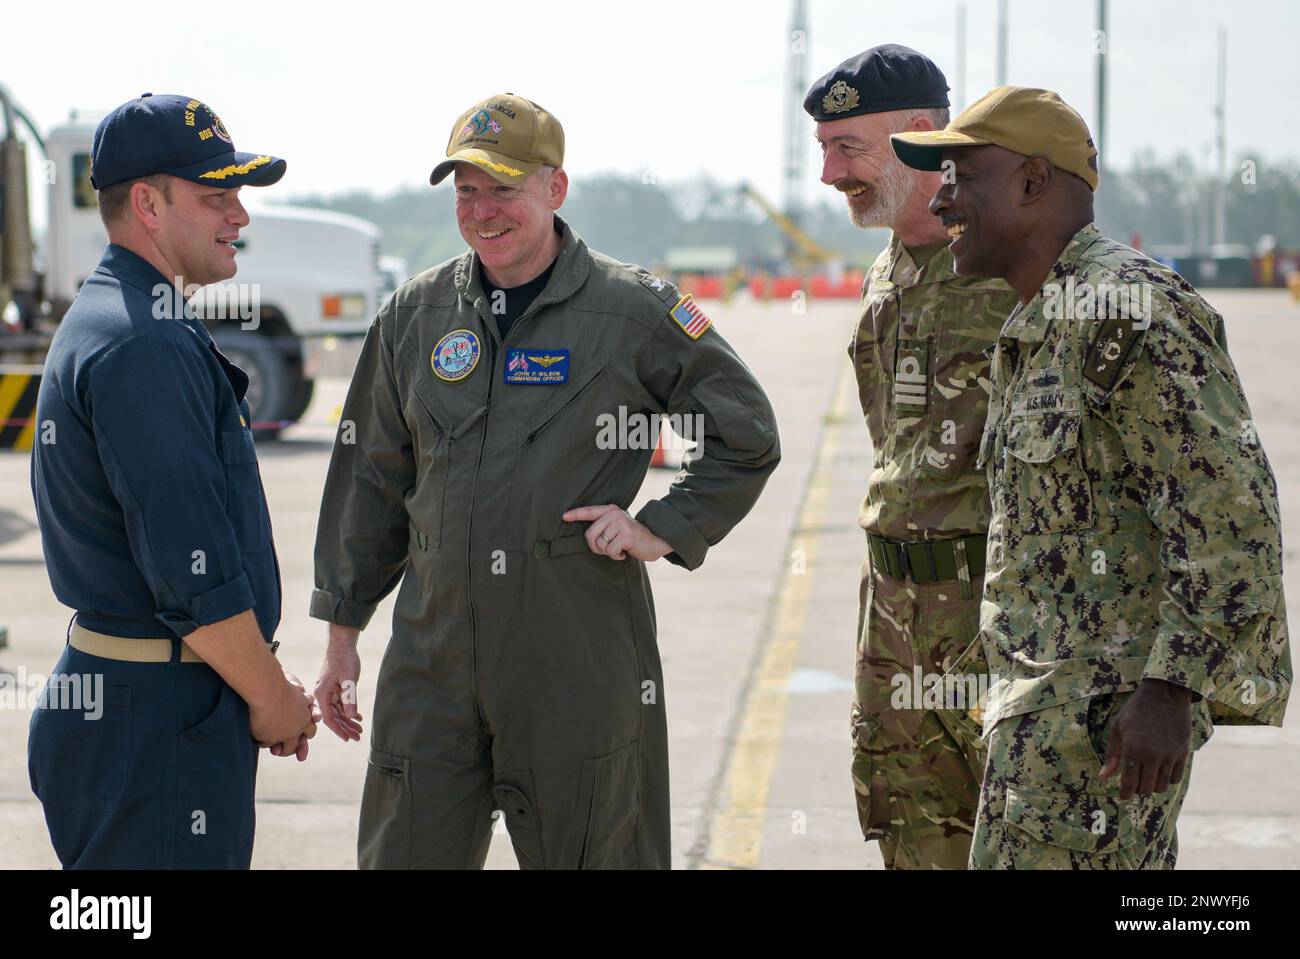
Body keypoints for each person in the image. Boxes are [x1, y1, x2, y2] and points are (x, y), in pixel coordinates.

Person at [310, 93, 780, 869]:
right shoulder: (414, 317)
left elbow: (746, 432)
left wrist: (662, 527)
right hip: (432, 665)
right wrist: (341, 639)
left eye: (503, 188)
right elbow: (370, 483)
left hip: (576, 659)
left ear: (555, 188)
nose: (482, 210)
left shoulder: (632, 312)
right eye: (467, 190)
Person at [892, 85, 1292, 868]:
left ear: (1033, 181)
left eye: (961, 177)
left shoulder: (1130, 309)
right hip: (1041, 717)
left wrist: (1171, 692)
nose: (940, 200)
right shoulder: (1042, 320)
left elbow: (1233, 513)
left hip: (1099, 733)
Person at [28, 93, 318, 869]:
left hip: (149, 703)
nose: (239, 216)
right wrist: (272, 697)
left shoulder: (126, 316)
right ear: (148, 206)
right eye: (216, 196)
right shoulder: (142, 343)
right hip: (154, 723)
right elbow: (194, 578)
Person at [805, 45, 1018, 869]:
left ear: (923, 134)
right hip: (896, 621)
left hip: (997, 625)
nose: (830, 174)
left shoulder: (1018, 264)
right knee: (916, 843)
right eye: (825, 150)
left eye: (846, 148)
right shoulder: (888, 270)